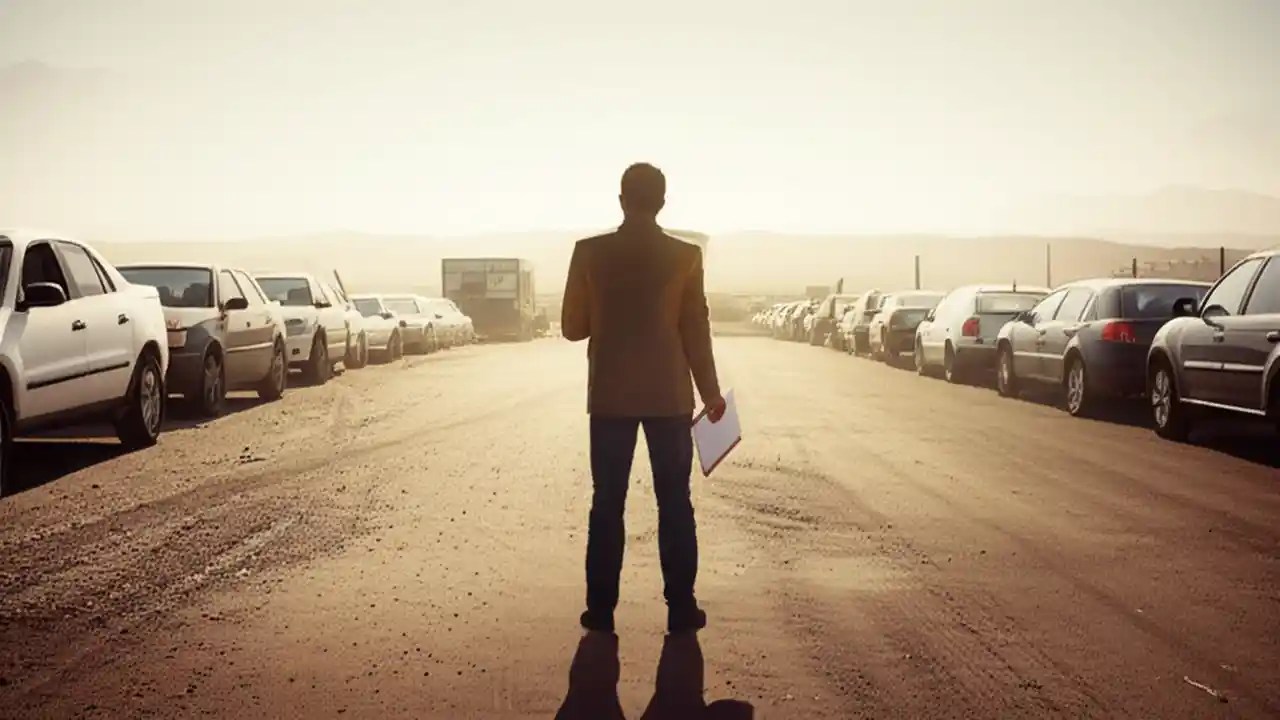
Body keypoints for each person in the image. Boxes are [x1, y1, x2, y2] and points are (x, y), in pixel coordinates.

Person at [561, 162, 726, 635]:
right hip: (669, 397)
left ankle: (601, 611)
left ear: (620, 200)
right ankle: (680, 608)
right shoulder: (685, 256)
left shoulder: (589, 254)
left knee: (606, 503)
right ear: (662, 203)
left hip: (610, 396)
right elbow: (696, 329)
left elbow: (573, 328)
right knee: (674, 501)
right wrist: (710, 393)